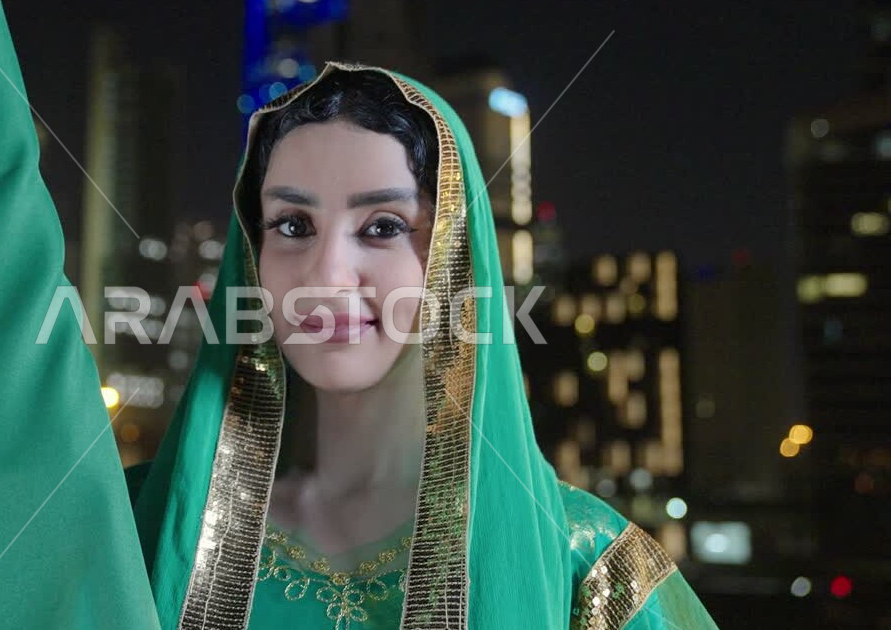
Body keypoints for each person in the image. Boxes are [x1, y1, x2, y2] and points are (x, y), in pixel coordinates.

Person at [127, 61, 718, 629]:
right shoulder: (131, 526)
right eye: (292, 225)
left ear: (453, 259)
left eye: (382, 226)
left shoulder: (585, 562)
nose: (327, 276)